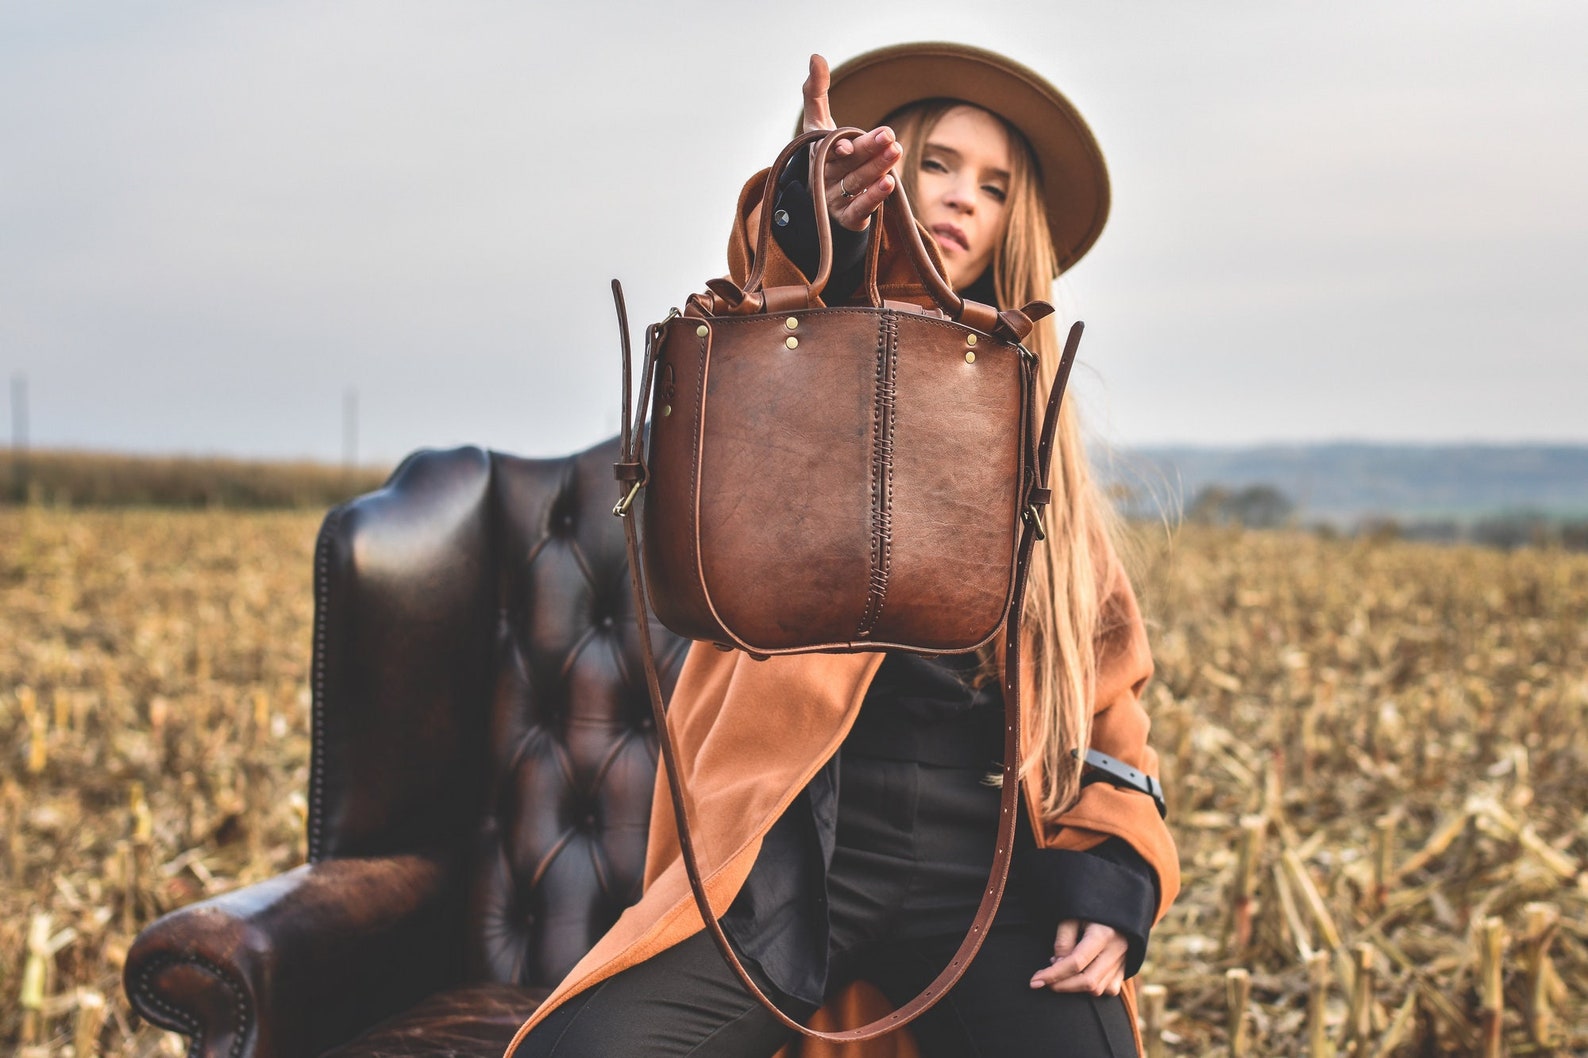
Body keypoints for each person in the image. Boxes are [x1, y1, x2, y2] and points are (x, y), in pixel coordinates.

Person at [507, 42, 1178, 1058]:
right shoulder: (797, 361)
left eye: (994, 185)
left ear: (1016, 224)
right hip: (792, 848)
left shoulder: (1036, 438)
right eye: (935, 163)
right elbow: (766, 281)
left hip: (988, 863)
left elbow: (1106, 700)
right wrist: (812, 211)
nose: (960, 196)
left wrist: (1113, 875)